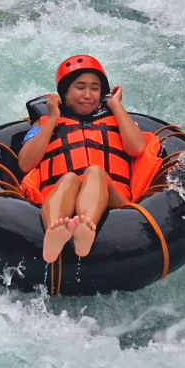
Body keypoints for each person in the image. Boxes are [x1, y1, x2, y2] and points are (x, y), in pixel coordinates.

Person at [18, 55, 147, 263]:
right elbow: (25, 162)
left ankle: (85, 227)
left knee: (95, 172)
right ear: (65, 92)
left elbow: (138, 147)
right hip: (58, 200)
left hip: (115, 205)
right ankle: (55, 233)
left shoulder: (115, 119)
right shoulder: (44, 123)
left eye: (95, 88)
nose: (88, 95)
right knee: (69, 178)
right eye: (80, 87)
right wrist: (52, 119)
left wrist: (115, 105)